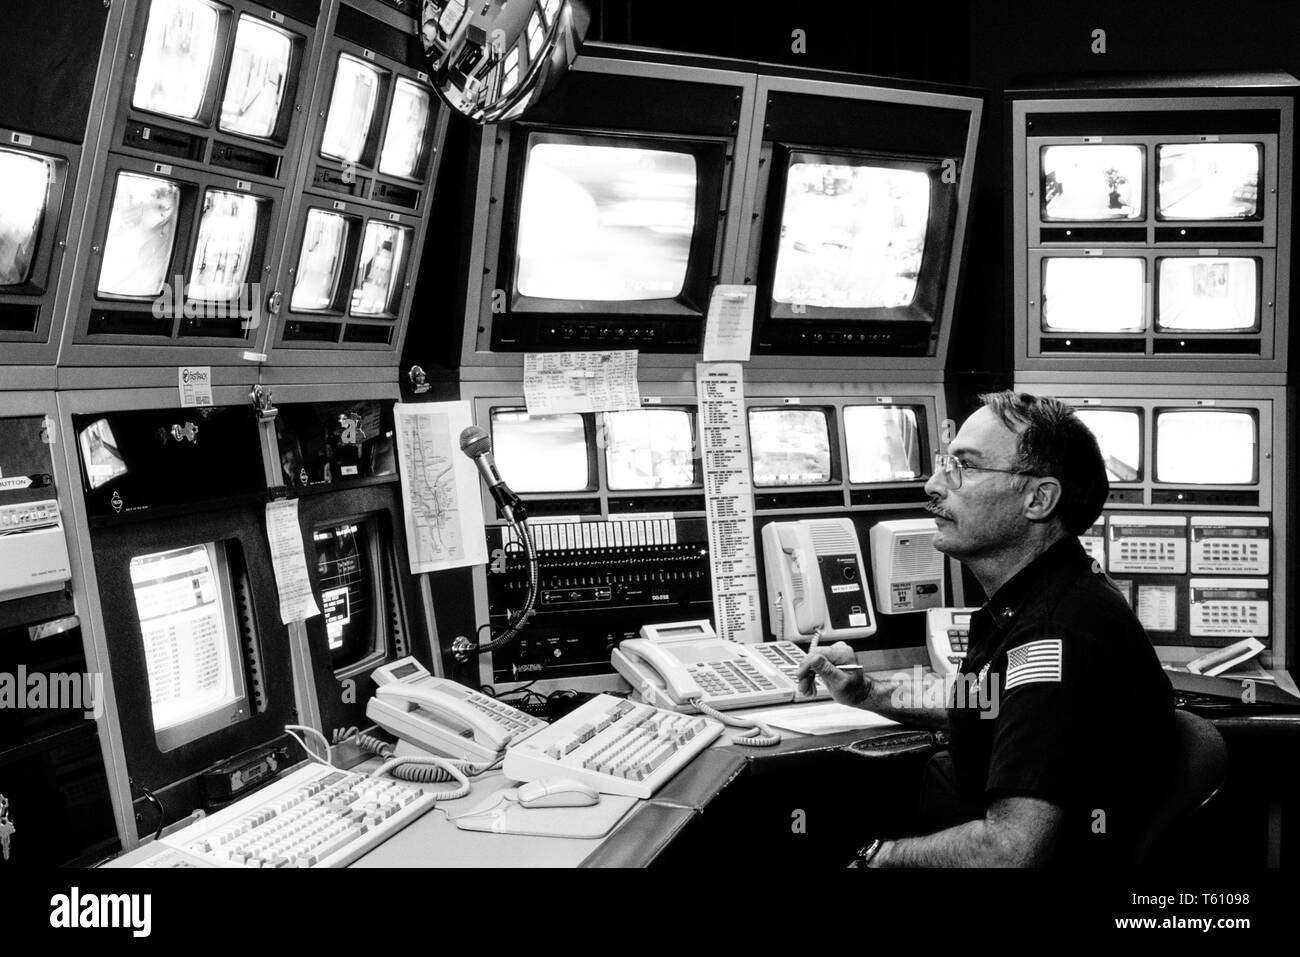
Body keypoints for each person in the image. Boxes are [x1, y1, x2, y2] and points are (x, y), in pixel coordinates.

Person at [797, 391, 1176, 867]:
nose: (934, 484)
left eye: (965, 467)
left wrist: (878, 857)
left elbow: (1008, 852)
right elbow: (980, 699)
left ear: (1038, 498)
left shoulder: (1055, 633)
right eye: (944, 463)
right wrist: (862, 689)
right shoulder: (1038, 600)